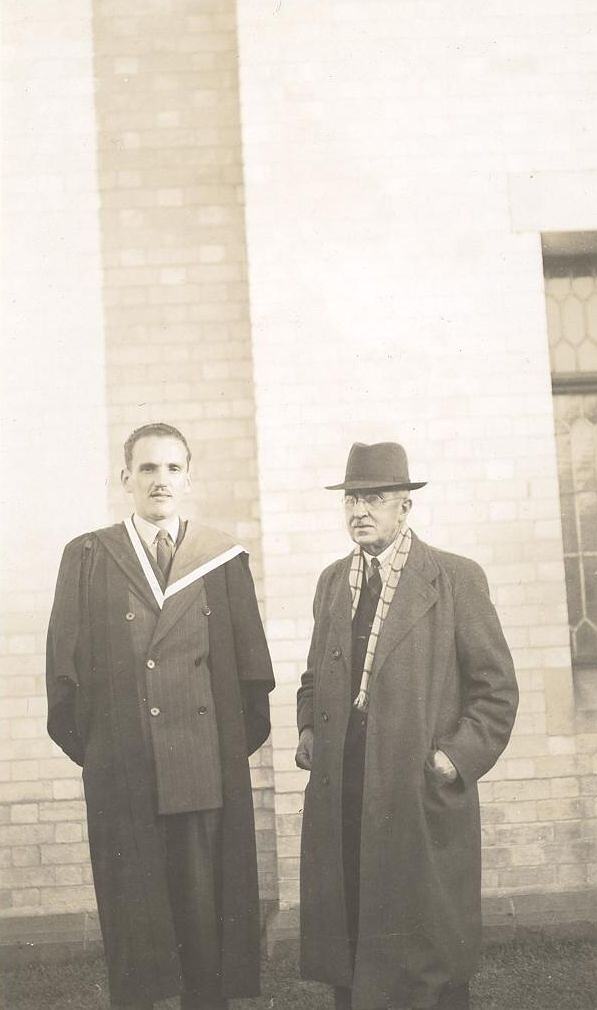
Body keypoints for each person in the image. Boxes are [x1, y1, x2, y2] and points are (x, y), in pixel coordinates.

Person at [46, 422, 275, 1010]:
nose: (161, 481)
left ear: (189, 478)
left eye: (173, 468)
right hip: (126, 773)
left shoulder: (221, 558)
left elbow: (251, 680)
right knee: (137, 929)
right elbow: (64, 679)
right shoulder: (90, 555)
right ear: (126, 479)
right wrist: (110, 751)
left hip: (202, 775)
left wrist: (214, 755)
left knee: (204, 928)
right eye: (148, 468)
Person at [295, 441, 518, 1010]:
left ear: (405, 507)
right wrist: (308, 730)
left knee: (428, 951)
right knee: (351, 933)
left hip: (416, 790)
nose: (359, 511)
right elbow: (314, 676)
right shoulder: (330, 582)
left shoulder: (453, 578)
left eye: (375, 498)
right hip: (345, 788)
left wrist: (452, 760)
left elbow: (495, 693)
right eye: (352, 498)